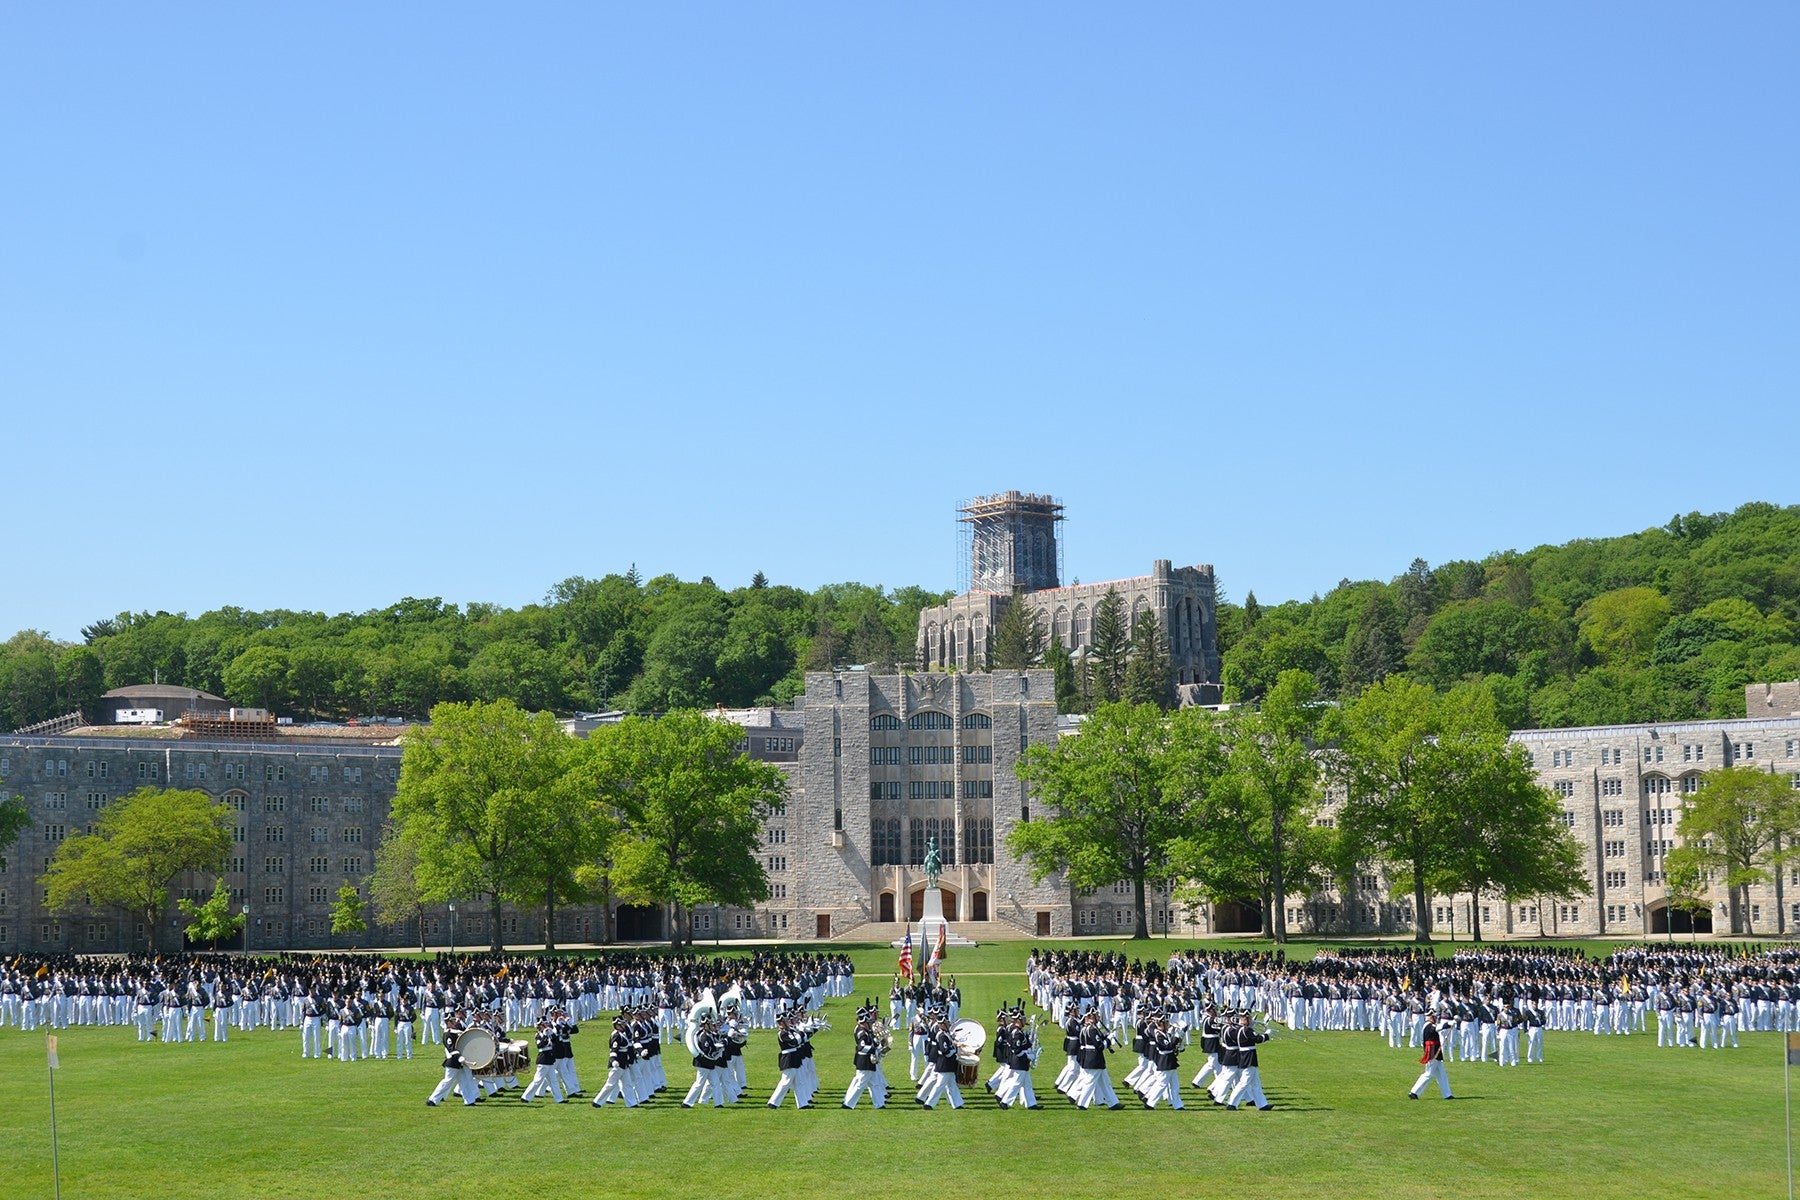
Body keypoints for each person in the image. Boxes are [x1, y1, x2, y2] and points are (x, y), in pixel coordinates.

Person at [1409, 1009, 1454, 1101]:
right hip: (1432, 1051)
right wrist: (1449, 1024)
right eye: (1434, 1017)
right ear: (1430, 1017)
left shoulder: (1429, 1025)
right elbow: (1438, 1027)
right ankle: (1414, 1092)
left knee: (1442, 1074)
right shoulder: (1428, 1025)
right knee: (1428, 1073)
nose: (1436, 1018)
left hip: (1435, 1050)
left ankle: (1447, 1094)